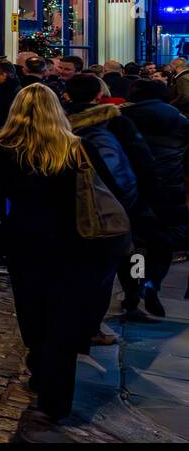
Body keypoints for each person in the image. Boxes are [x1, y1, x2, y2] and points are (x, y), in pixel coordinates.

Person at [0, 85, 124, 422]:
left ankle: (41, 368)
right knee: (64, 318)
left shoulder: (3, 152)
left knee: (34, 314)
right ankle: (56, 398)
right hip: (77, 243)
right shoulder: (76, 148)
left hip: (27, 243)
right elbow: (111, 191)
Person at [63, 73, 158, 318]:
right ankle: (133, 295)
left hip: (80, 203)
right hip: (123, 199)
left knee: (91, 264)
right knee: (132, 253)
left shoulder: (61, 126)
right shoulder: (116, 121)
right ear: (98, 95)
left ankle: (87, 314)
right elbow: (142, 159)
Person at [121, 79, 189, 310]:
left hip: (132, 189)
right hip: (169, 189)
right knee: (162, 243)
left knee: (136, 244)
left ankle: (133, 289)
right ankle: (152, 284)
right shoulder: (180, 121)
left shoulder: (122, 118)